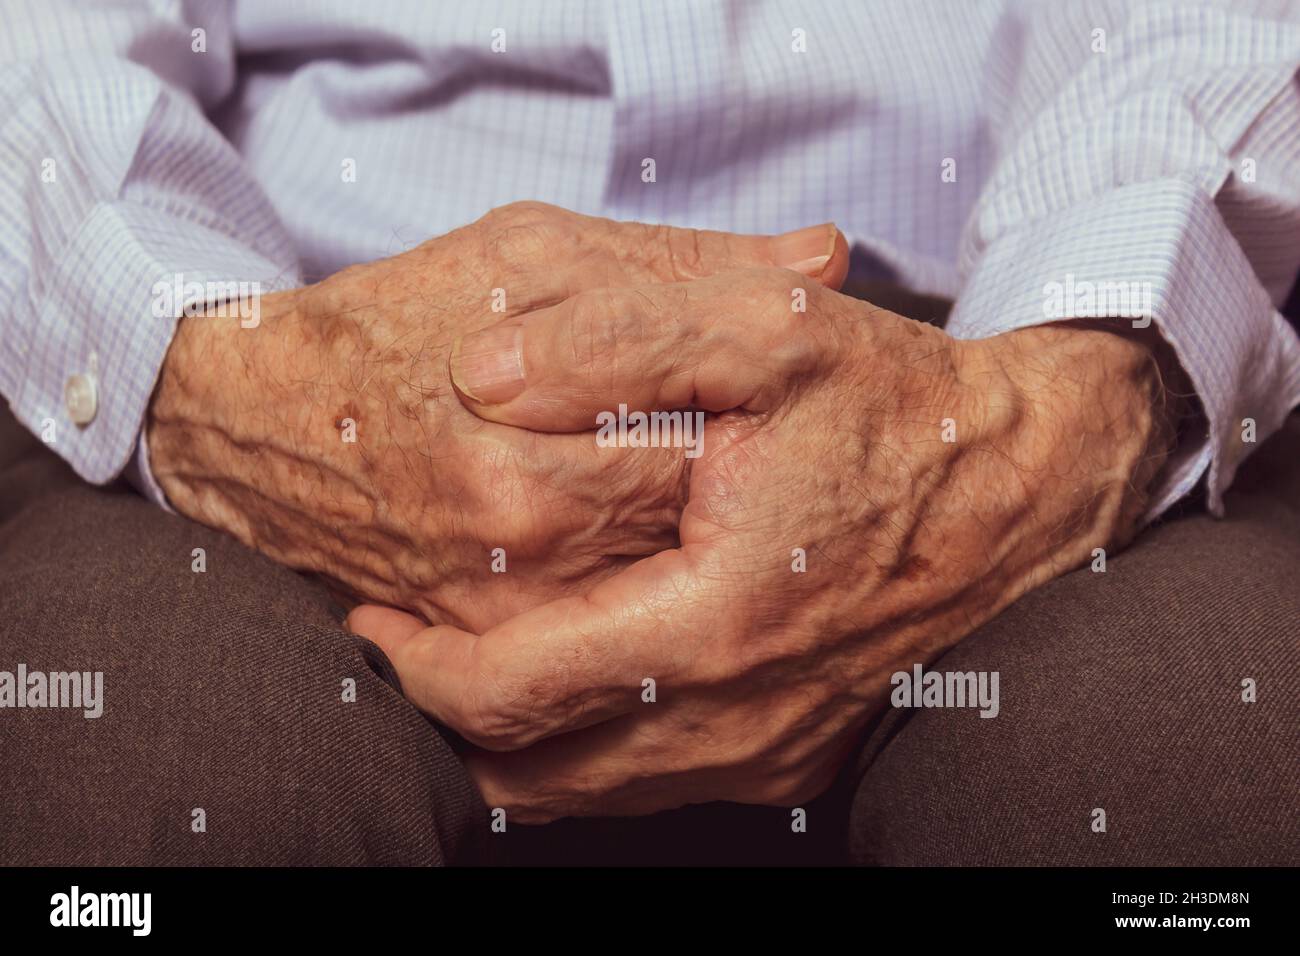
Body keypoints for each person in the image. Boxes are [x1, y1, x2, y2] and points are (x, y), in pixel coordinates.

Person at [1, 0, 1297, 865]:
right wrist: (217, 368)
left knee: (1209, 759)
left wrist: (1051, 404)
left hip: (980, 337)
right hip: (285, 330)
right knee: (140, 780)